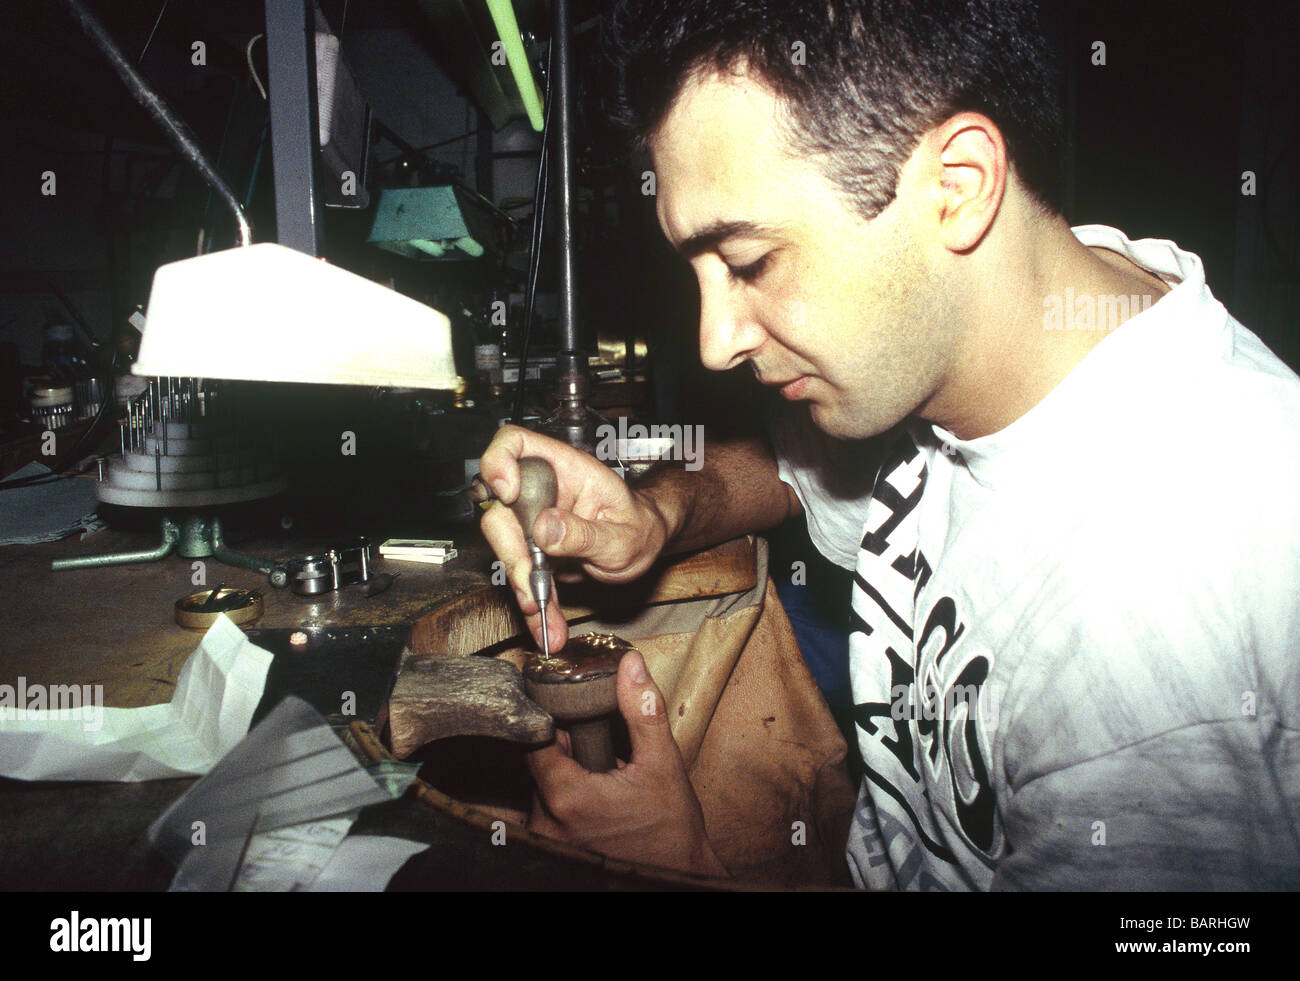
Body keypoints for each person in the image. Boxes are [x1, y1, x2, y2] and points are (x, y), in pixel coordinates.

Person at [479, 0, 1300, 889]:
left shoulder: (1151, 617)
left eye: (750, 261)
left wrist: (688, 870)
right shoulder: (1011, 329)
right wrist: (653, 514)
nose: (714, 340)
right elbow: (805, 479)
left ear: (958, 184)